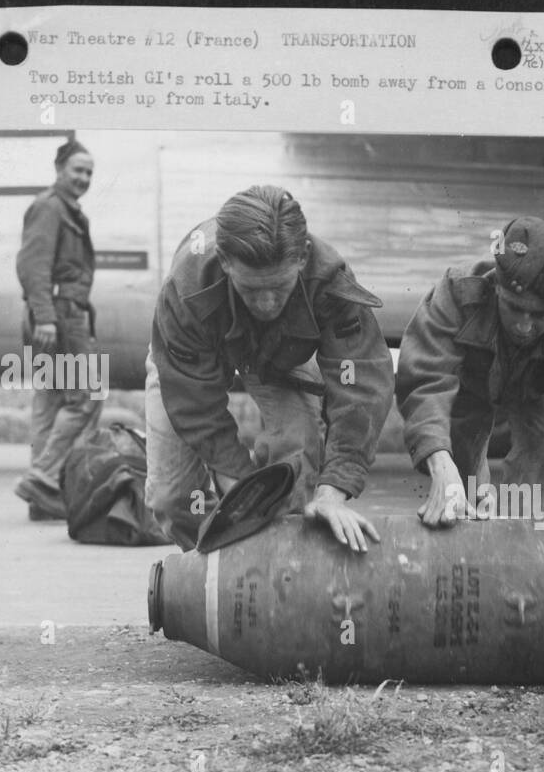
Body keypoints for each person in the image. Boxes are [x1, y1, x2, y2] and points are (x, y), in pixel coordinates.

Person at [145, 185, 393, 551]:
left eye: (279, 288)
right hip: (191, 366)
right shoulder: (186, 290)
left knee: (297, 470)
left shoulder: (330, 280)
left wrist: (332, 491)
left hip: (282, 360)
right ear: (226, 262)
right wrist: (241, 488)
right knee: (173, 497)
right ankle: (218, 575)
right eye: (251, 290)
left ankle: (283, 576)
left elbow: (361, 387)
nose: (265, 304)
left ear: (302, 258)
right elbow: (194, 401)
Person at [396, 215, 544, 529]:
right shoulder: (457, 292)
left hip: (537, 388)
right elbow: (425, 380)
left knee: (539, 445)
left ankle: (523, 535)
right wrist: (439, 459)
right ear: (498, 287)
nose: (525, 326)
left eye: (540, 314)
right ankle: (469, 530)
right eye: (515, 308)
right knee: (461, 466)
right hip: (470, 384)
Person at [13, 139, 102, 520]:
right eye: (77, 170)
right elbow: (32, 265)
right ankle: (43, 475)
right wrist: (46, 317)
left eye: (89, 172)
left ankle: (41, 498)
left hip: (56, 315)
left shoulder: (65, 210)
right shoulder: (50, 208)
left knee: (50, 400)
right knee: (84, 398)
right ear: (59, 169)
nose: (83, 178)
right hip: (60, 316)